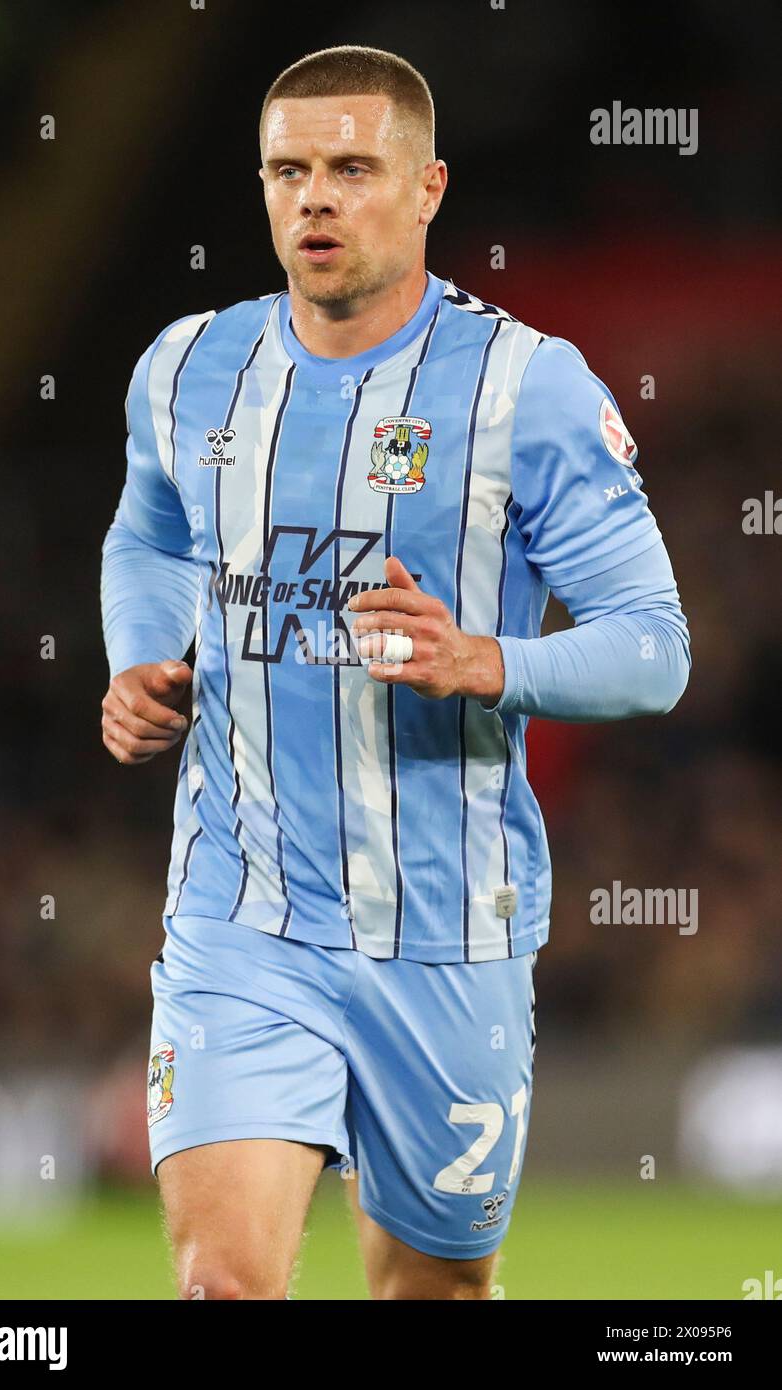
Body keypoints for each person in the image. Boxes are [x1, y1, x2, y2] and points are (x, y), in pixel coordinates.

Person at [100, 44, 691, 1300]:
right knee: (222, 1284)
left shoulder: (524, 389)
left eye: (351, 168)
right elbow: (147, 531)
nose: (314, 197)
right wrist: (142, 656)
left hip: (447, 931)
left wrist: (485, 659)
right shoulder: (190, 368)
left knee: (432, 1293)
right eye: (288, 170)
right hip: (238, 918)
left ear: (426, 188)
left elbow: (654, 646)